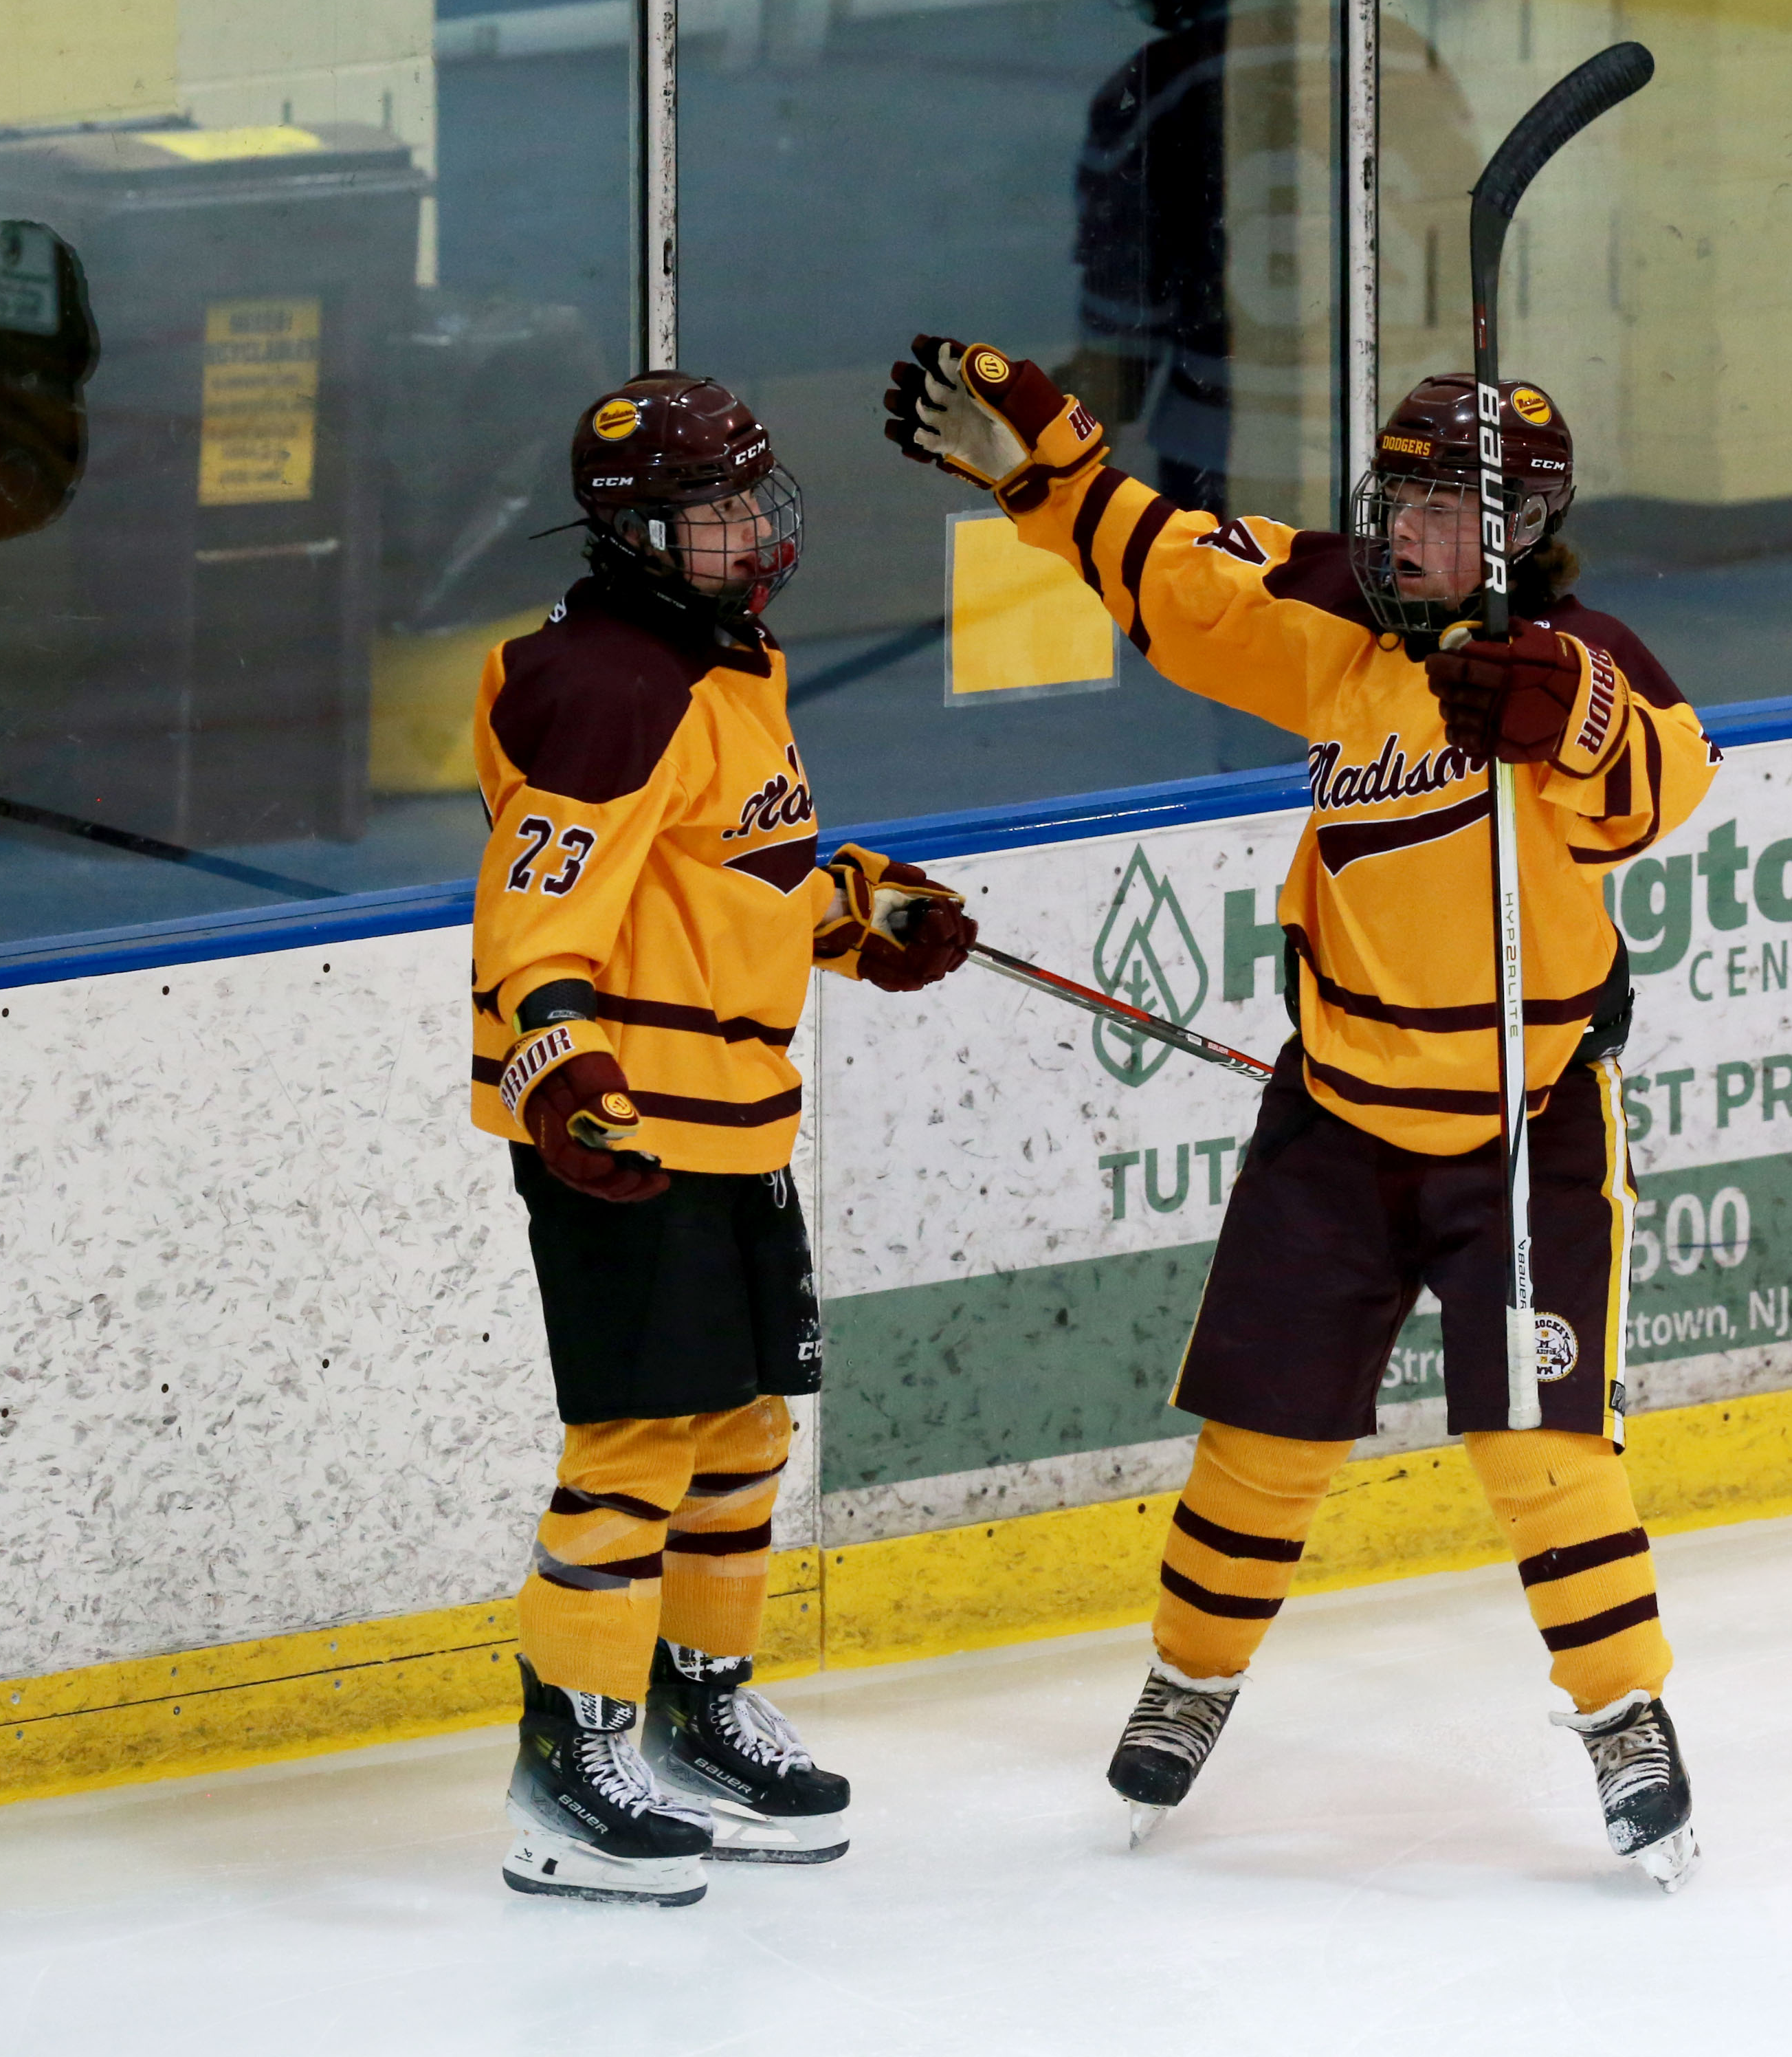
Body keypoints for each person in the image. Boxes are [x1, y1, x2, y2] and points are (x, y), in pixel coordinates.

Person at [881, 338, 1718, 1889]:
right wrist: (1054, 476)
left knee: (1545, 1453)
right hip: (1334, 1123)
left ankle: (1624, 1716)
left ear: (1521, 533)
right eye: (1392, 498)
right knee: (1261, 1442)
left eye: (1438, 509)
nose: (1402, 530)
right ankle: (1190, 1682)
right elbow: (1194, 584)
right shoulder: (1344, 627)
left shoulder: (1571, 659)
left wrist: (1572, 714)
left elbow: (1666, 782)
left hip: (1525, 1131)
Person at [472, 371, 977, 1906]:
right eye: (713, 512)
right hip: (629, 1128)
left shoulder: (721, 663)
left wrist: (854, 911)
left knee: (746, 1426)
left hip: (739, 1117)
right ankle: (570, 1757)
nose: (750, 530)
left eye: (755, 498)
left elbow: (728, 878)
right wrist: (562, 1079)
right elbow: (537, 916)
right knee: (636, 1444)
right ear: (634, 532)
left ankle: (696, 1709)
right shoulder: (606, 688)